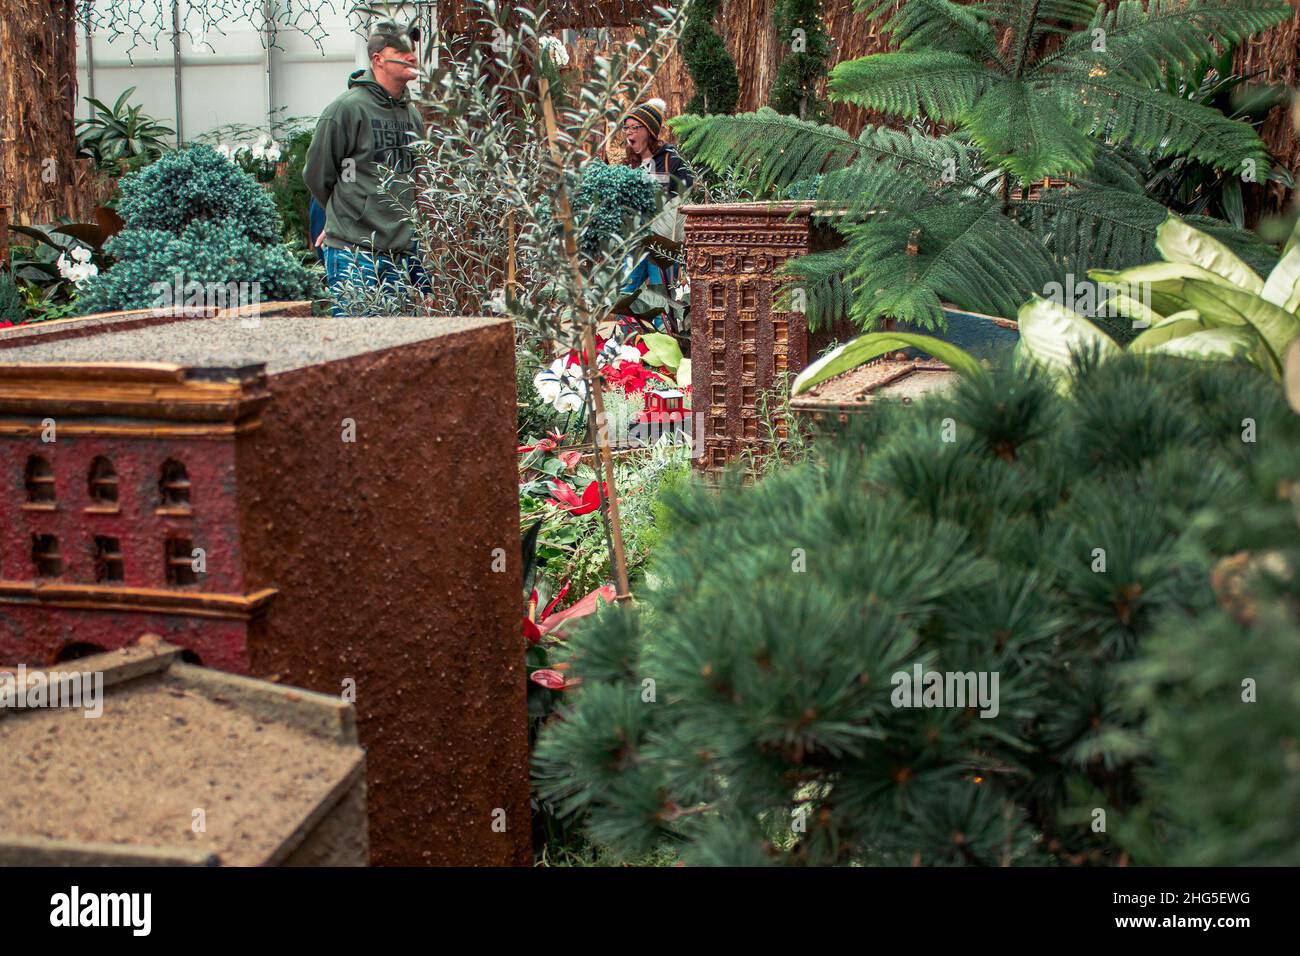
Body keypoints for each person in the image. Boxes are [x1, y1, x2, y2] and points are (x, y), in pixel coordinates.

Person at [303, 19, 431, 316]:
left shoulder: (412, 116)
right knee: (356, 351)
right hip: (354, 252)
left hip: (400, 255)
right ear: (378, 60)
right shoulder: (346, 110)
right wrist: (346, 215)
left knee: (396, 352)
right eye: (401, 50)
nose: (412, 56)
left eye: (412, 49)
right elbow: (318, 174)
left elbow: (412, 184)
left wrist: (418, 271)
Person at [619, 98, 695, 316]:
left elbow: (685, 196)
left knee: (661, 294)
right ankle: (625, 341)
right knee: (626, 291)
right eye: (626, 127)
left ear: (650, 131)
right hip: (635, 241)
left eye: (635, 127)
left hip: (663, 241)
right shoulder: (630, 162)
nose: (629, 132)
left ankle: (663, 342)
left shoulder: (672, 159)